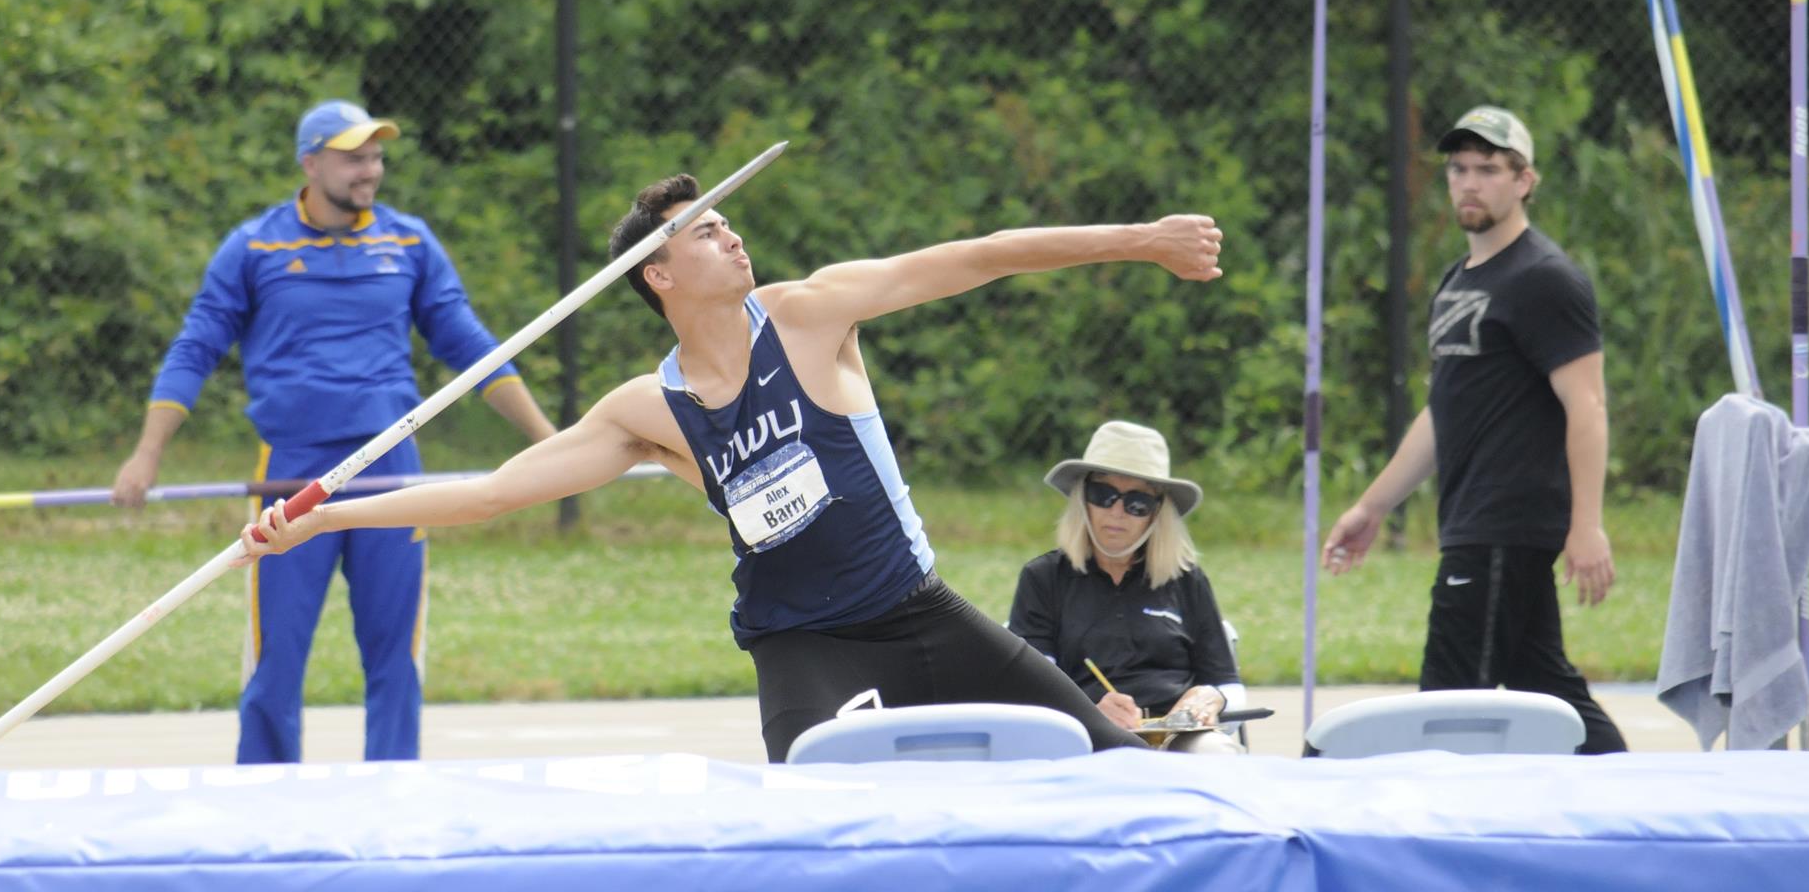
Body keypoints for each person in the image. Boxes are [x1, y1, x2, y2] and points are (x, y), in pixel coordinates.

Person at [238, 170, 1225, 761]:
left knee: (1108, 762)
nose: (729, 229)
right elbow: (494, 492)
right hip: (802, 643)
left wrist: (1138, 241)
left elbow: (978, 255)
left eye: (724, 216)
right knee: (800, 818)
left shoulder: (807, 313)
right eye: (703, 228)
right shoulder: (645, 409)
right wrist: (323, 514)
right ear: (658, 276)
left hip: (918, 609)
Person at [114, 99, 559, 764]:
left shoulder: (408, 242)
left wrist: (548, 440)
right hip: (291, 471)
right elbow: (195, 348)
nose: (371, 170)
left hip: (391, 467)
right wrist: (146, 455)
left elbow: (471, 346)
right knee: (276, 659)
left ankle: (392, 792)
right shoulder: (255, 246)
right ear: (310, 162)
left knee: (395, 655)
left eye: (376, 156)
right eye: (355, 157)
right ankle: (266, 794)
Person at [1321, 105, 1626, 753]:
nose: (1469, 182)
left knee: (1447, 709)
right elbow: (1444, 410)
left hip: (1504, 525)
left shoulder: (1545, 278)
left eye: (1488, 168)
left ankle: (1431, 838)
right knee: (1546, 686)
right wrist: (1372, 506)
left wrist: (1587, 524)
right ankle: (1631, 795)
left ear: (1524, 181)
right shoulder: (1460, 280)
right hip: (1473, 524)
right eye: (1458, 168)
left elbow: (1588, 406)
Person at [1008, 421, 1244, 755]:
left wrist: (1212, 697)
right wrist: (1089, 709)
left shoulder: (1187, 580)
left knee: (1217, 754)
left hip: (1178, 737)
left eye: (1137, 503)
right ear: (1083, 500)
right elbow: (1030, 689)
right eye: (1103, 495)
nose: (1117, 513)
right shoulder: (1043, 578)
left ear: (1157, 512)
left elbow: (1227, 683)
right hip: (1082, 735)